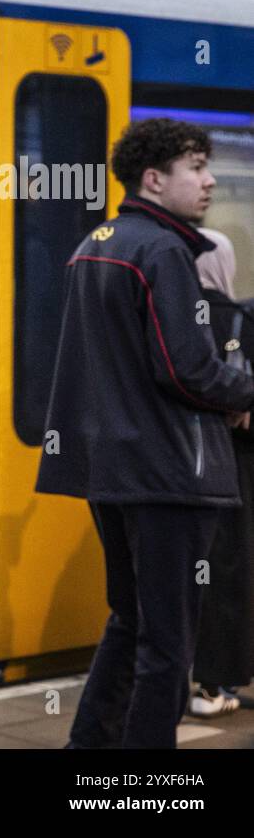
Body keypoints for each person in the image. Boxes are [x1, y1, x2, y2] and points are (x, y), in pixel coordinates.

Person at [36, 118, 254, 748]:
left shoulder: (96, 243)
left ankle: (90, 751)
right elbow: (186, 369)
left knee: (131, 619)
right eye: (196, 168)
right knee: (168, 642)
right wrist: (244, 394)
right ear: (154, 179)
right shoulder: (163, 251)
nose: (209, 181)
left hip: (112, 470)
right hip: (167, 471)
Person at [190, 227, 254, 717]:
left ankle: (198, 682)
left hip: (183, 464)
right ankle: (219, 681)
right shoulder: (238, 318)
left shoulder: (173, 314)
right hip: (235, 465)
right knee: (230, 568)